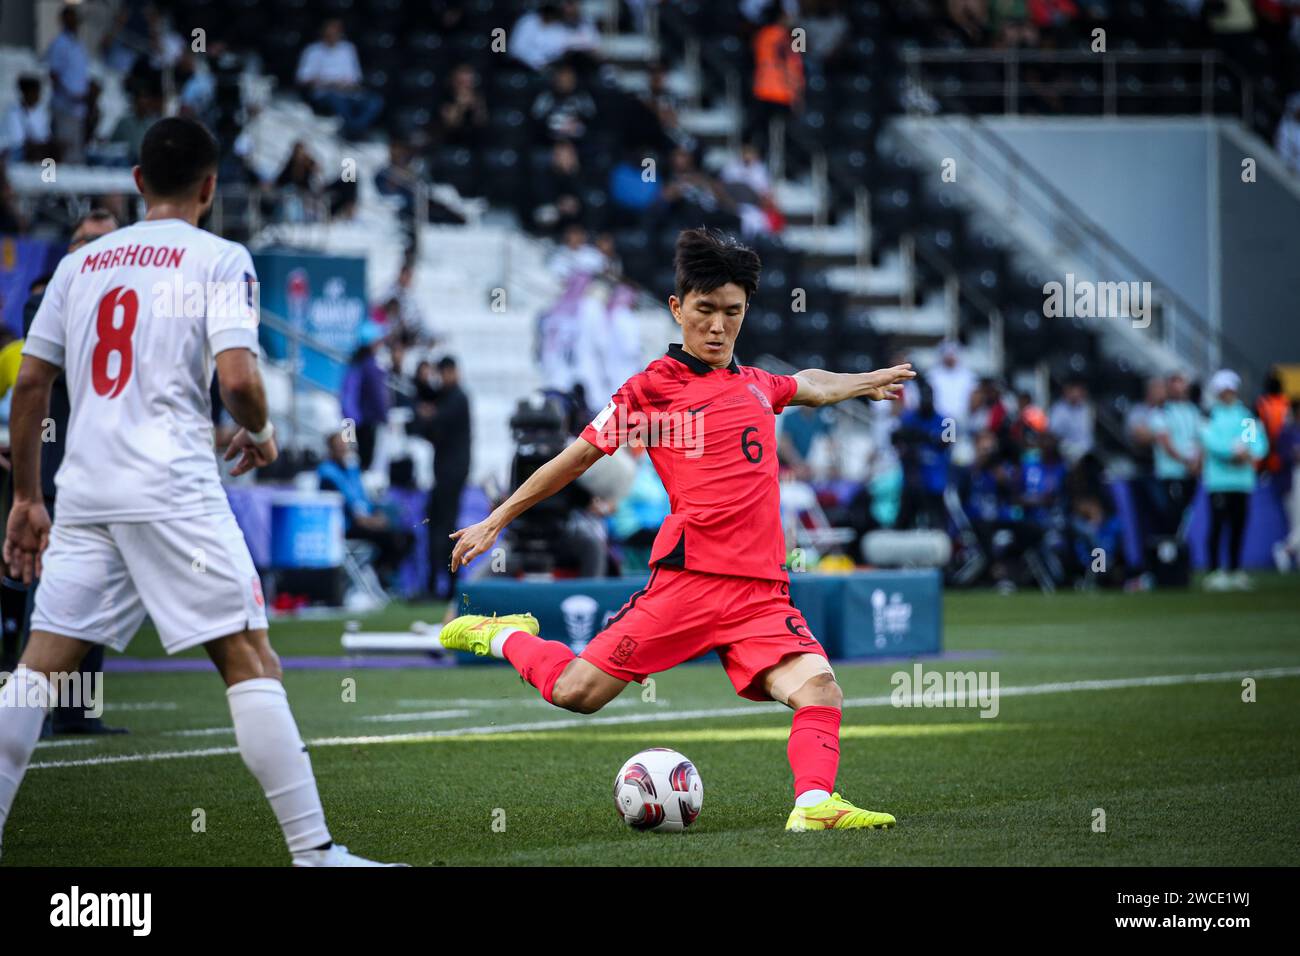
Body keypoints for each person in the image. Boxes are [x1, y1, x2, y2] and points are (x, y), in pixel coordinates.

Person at [0, 116, 396, 866]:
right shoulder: (219, 258)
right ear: (211, 189)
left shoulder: (82, 264)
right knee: (250, 658)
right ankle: (315, 854)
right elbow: (241, 379)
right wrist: (265, 429)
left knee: (36, 671)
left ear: (139, 182)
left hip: (85, 491)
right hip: (173, 488)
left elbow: (29, 381)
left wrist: (27, 497)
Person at [438, 228, 916, 831]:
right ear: (677, 308)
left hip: (761, 594)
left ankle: (814, 804)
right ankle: (501, 634)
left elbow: (810, 384)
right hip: (687, 583)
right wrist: (496, 518)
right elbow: (577, 457)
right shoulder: (650, 388)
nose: (718, 326)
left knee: (820, 690)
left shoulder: (755, 384)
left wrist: (861, 382)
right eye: (705, 311)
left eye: (732, 313)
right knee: (574, 693)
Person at [1200, 369, 1268, 591]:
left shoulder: (1244, 416)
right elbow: (1212, 442)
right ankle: (1214, 570)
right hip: (1219, 481)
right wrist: (1233, 454)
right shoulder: (1212, 415)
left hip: (1241, 481)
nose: (1228, 394)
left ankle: (1235, 569)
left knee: (1238, 526)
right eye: (1225, 390)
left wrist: (1248, 454)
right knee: (1218, 526)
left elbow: (1257, 443)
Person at [318, 433, 413, 587]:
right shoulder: (328, 474)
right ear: (331, 449)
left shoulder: (351, 470)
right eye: (339, 447)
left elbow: (364, 500)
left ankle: (383, 571)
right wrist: (371, 521)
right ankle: (382, 575)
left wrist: (377, 515)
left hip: (365, 522)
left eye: (345, 446)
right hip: (346, 527)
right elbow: (350, 509)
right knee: (394, 538)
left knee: (407, 536)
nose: (343, 450)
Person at [412, 357, 471, 599]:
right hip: (444, 472)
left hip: (451, 472)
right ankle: (440, 585)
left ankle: (445, 586)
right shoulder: (448, 397)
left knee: (444, 527)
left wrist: (429, 414)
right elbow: (425, 421)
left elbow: (434, 419)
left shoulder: (458, 397)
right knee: (439, 526)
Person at [295, 19, 382, 140]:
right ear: (323, 32)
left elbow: (356, 78)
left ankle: (354, 129)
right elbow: (302, 78)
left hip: (348, 91)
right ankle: (353, 133)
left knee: (375, 101)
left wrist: (348, 86)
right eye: (329, 32)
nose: (333, 35)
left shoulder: (348, 49)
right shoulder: (313, 50)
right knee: (337, 100)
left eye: (336, 32)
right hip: (324, 93)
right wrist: (329, 83)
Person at [1150, 372, 1202, 534]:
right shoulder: (1161, 412)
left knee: (1187, 515)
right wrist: (1187, 461)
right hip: (1170, 473)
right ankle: (1169, 553)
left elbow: (1200, 439)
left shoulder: (1193, 411)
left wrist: (1198, 462)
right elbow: (1166, 443)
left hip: (1190, 473)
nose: (1179, 388)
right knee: (1172, 515)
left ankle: (1180, 549)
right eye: (1174, 384)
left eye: (1181, 383)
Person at [43, 5, 90, 162]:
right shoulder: (59, 44)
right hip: (64, 107)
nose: (74, 21)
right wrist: (70, 95)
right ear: (63, 20)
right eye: (71, 18)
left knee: (76, 154)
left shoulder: (79, 45)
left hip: (79, 109)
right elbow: (54, 74)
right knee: (64, 150)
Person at [2, 76, 54, 163]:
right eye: (34, 92)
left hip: (37, 150)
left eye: (38, 92)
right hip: (17, 151)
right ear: (25, 93)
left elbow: (45, 136)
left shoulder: (41, 113)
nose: (37, 95)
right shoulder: (13, 113)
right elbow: (16, 139)